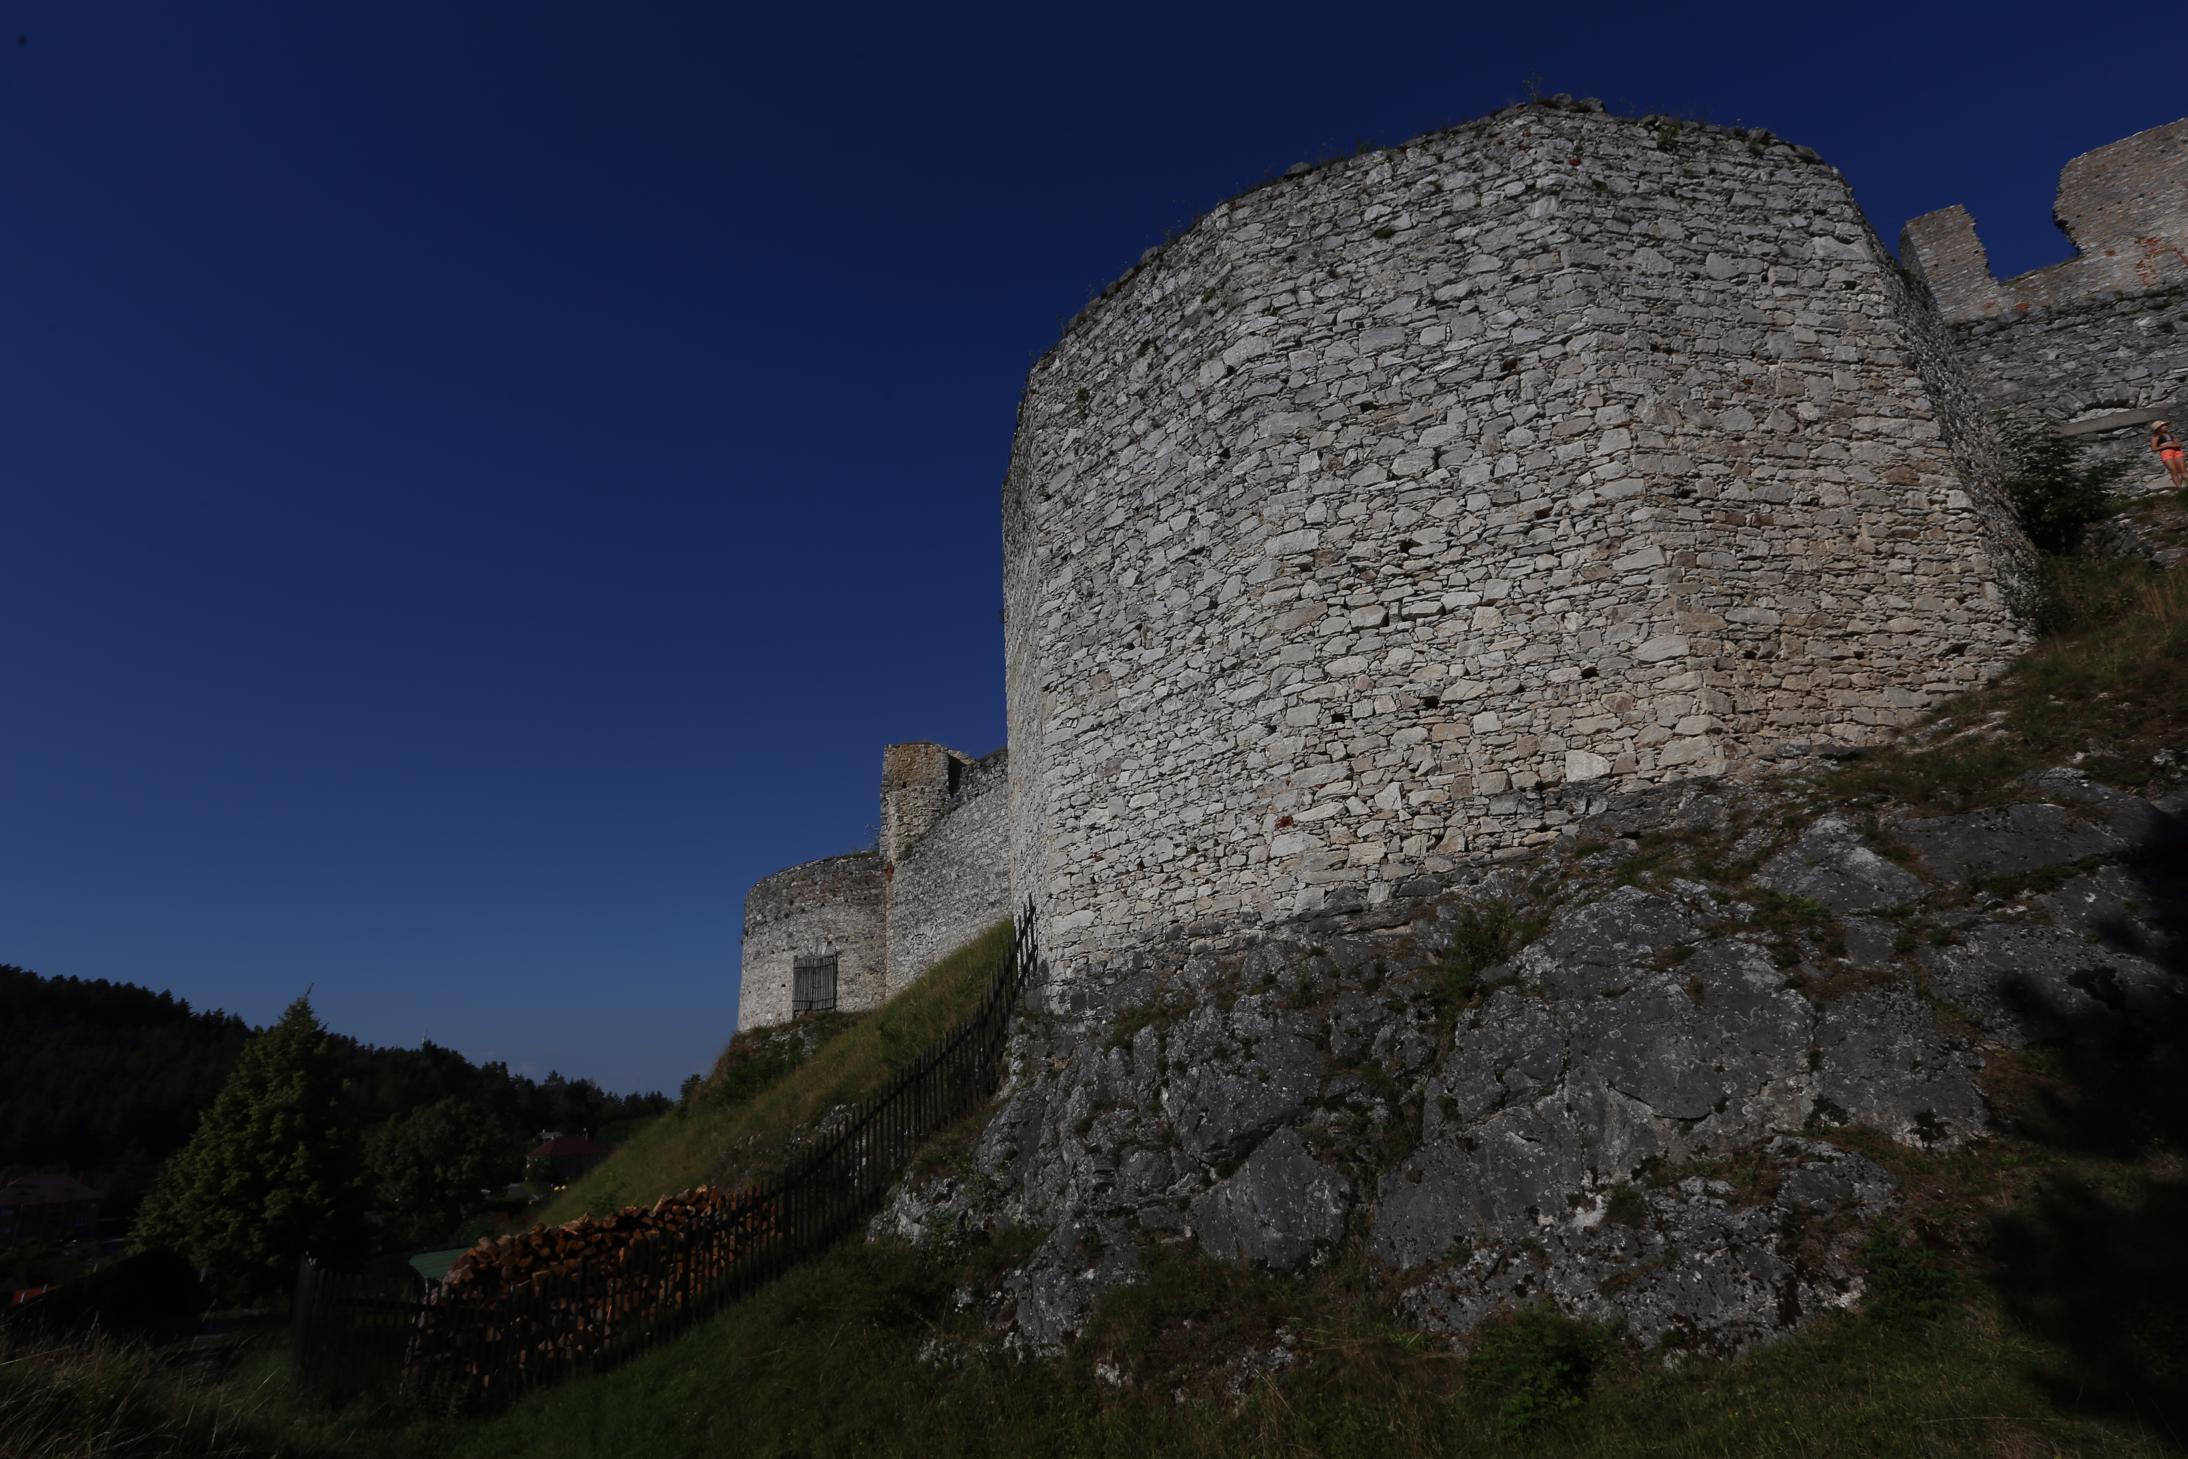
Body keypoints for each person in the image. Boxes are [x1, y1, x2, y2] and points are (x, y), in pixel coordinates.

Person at [2155, 419, 2187, 490]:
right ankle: (2180, 488)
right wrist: (2166, 446)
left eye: (2165, 425)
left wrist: (2177, 445)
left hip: (2177, 451)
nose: (2166, 426)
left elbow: (2178, 443)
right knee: (2174, 471)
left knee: (2183, 470)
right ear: (2158, 428)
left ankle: (2183, 487)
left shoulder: (2170, 435)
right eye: (2163, 425)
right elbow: (2154, 449)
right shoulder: (2156, 437)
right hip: (2166, 452)